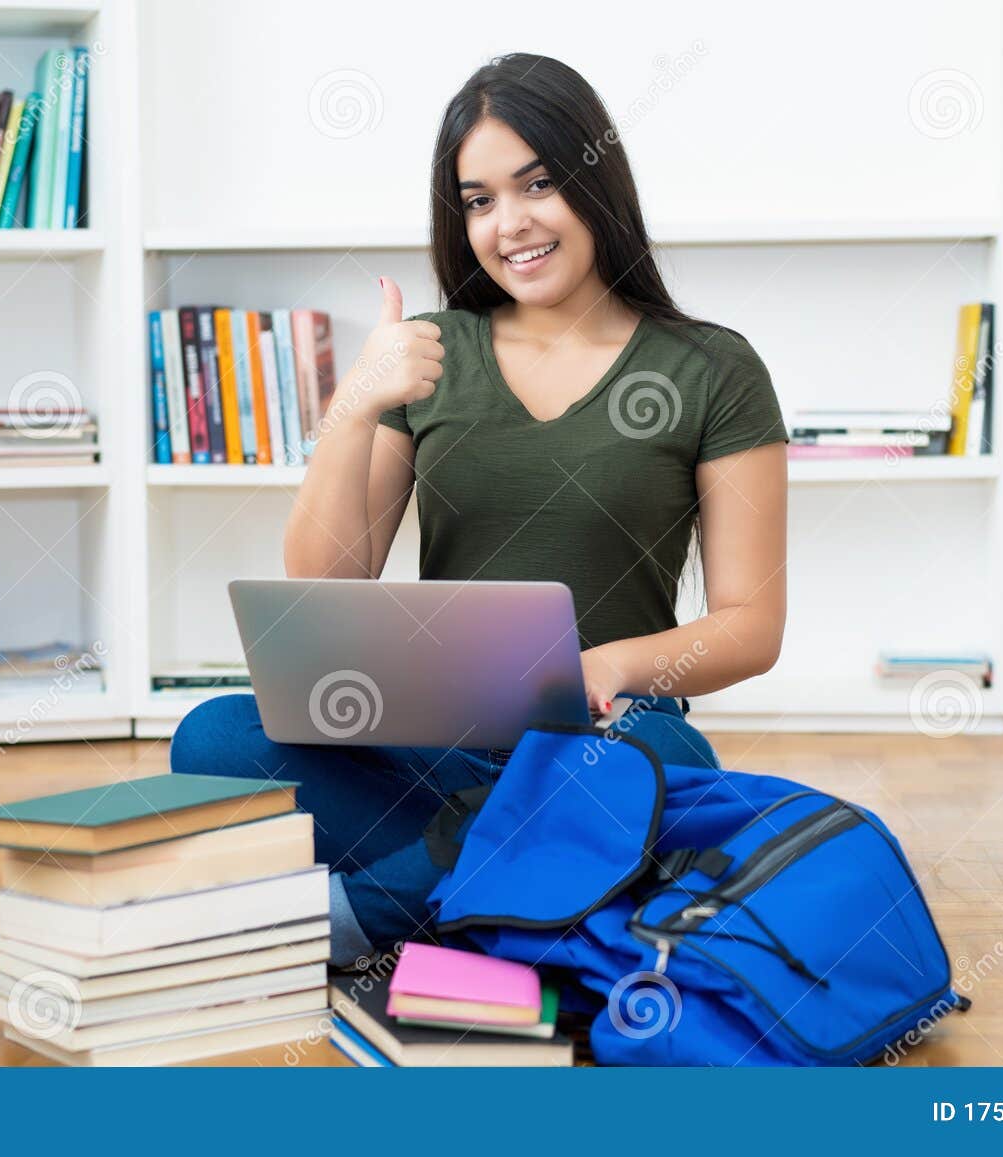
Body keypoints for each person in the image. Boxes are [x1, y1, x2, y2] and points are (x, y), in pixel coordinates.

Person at [169, 52, 789, 965]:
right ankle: (527, 892)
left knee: (660, 768)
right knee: (214, 737)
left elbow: (751, 625)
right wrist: (355, 408)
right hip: (434, 748)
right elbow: (324, 579)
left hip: (607, 745)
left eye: (537, 183)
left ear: (594, 180)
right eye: (479, 199)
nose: (511, 224)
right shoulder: (427, 353)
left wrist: (605, 666)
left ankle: (369, 918)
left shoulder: (712, 367)